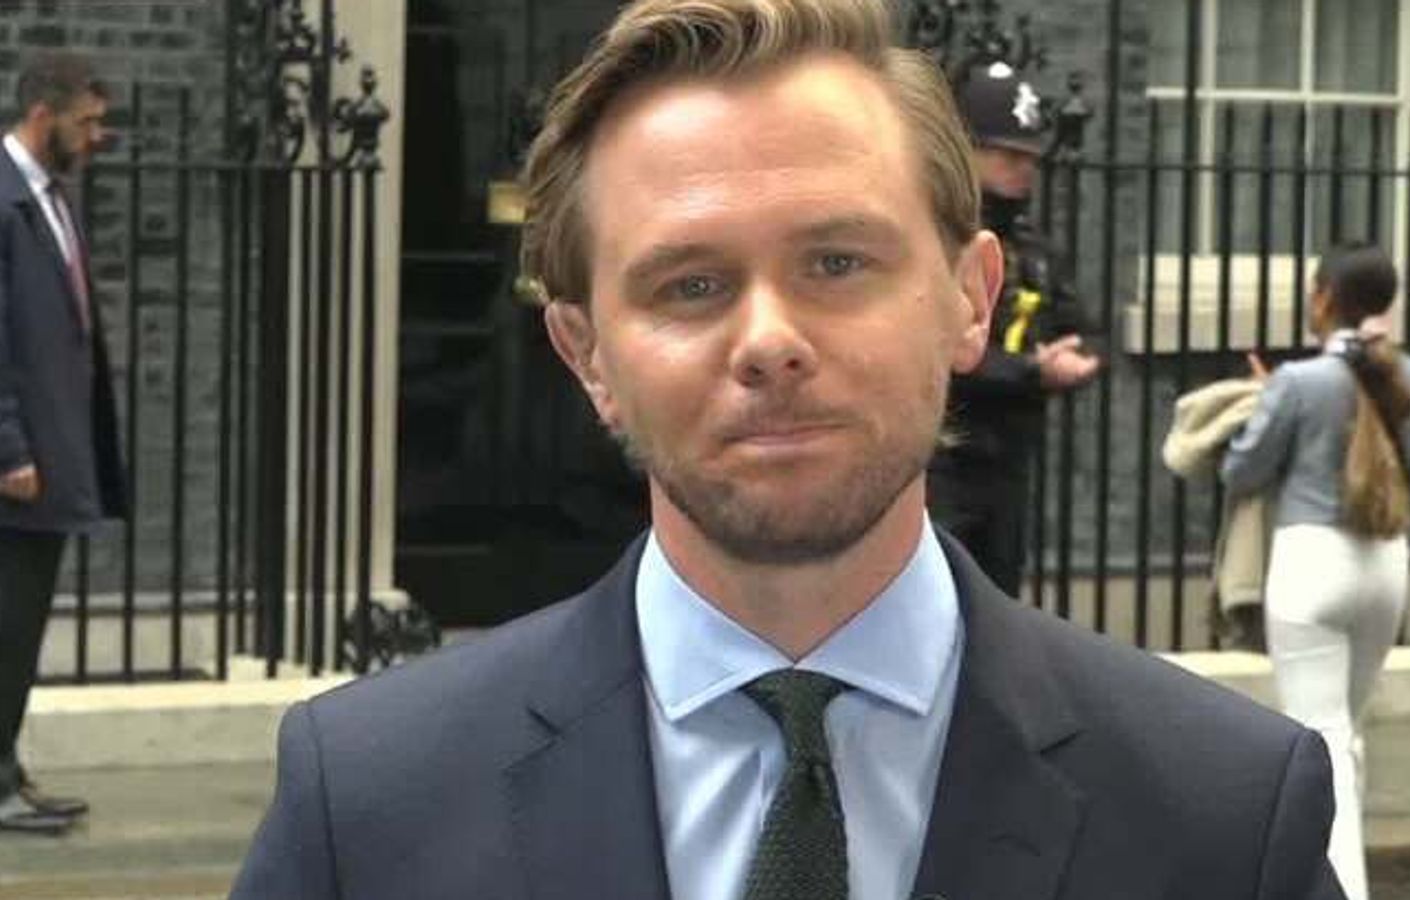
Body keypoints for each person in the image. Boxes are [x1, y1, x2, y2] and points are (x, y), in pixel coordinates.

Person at [232, 2, 1344, 897]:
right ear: (587, 356)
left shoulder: (1225, 811)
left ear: (970, 299)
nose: (768, 341)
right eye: (691, 285)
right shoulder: (372, 804)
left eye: (837, 263)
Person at [1222, 242, 1410, 900]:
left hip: (1312, 562)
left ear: (1322, 297)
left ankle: (1342, 890)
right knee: (1349, 731)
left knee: (1322, 738)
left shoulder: (1300, 381)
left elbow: (1242, 471)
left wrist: (1268, 404)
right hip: (1385, 563)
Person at [0, 53, 121, 837]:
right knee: (5, 627)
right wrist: (7, 448)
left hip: (46, 461)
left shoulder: (48, 198)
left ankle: (5, 769)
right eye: (88, 121)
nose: (99, 136)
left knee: (19, 627)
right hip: (15, 471)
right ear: (44, 117)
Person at [928, 59, 1100, 596]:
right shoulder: (934, 242)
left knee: (997, 602)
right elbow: (939, 348)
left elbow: (1086, 327)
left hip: (1009, 461)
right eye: (1008, 154)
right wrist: (1031, 371)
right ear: (966, 150)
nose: (1024, 169)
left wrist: (1079, 360)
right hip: (944, 460)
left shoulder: (1033, 248)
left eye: (1029, 156)